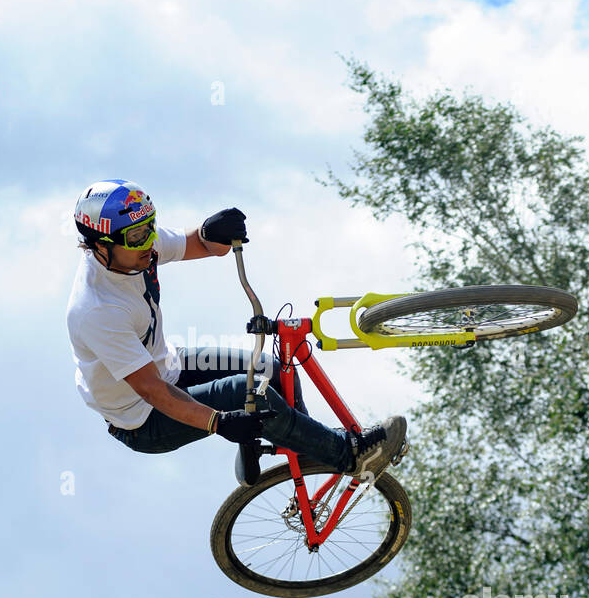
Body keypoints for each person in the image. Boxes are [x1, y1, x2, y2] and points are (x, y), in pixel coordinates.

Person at [65, 178, 407, 483]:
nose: (149, 243)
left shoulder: (137, 247)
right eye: (138, 237)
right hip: (142, 419)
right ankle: (351, 457)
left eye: (150, 228)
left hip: (169, 367)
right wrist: (221, 422)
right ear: (100, 245)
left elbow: (201, 245)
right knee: (244, 396)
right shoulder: (96, 310)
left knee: (270, 372)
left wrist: (215, 230)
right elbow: (152, 392)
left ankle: (307, 446)